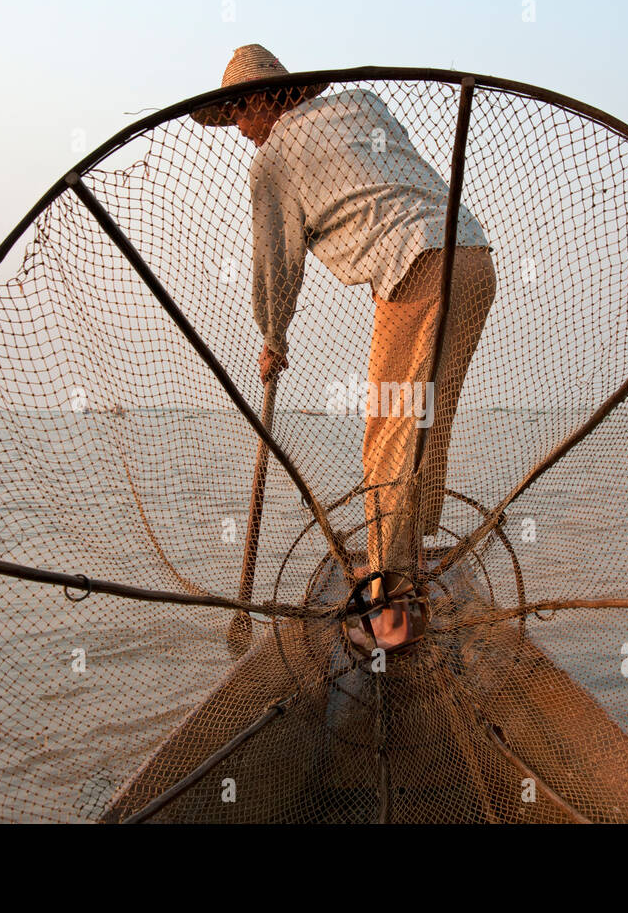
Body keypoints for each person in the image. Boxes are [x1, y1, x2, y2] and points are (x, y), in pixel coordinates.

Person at [193, 46, 496, 650]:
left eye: (241, 118)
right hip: (471, 258)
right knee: (420, 426)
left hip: (418, 267)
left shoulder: (275, 158)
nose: (244, 135)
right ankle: (400, 579)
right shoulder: (364, 106)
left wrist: (273, 337)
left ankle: (390, 613)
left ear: (261, 103)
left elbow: (276, 264)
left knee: (389, 432)